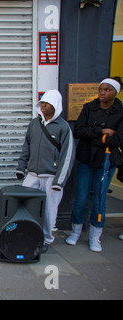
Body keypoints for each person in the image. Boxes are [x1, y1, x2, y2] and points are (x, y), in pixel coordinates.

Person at [66, 77, 123, 252]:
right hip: (86, 159)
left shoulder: (120, 112)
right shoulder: (89, 108)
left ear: (115, 92)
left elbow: (119, 139)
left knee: (100, 200)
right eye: (101, 89)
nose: (102, 93)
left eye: (107, 90)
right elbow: (79, 131)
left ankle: (95, 237)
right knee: (81, 198)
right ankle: (76, 231)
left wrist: (96, 137)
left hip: (106, 161)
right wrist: (101, 132)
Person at [16, 90, 75, 253]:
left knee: (49, 210)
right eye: (42, 103)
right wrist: (21, 167)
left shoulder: (63, 127)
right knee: (26, 206)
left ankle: (46, 238)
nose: (43, 106)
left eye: (47, 104)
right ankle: (29, 233)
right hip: (33, 174)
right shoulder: (35, 123)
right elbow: (26, 146)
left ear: (55, 106)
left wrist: (59, 182)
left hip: (51, 176)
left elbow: (67, 156)